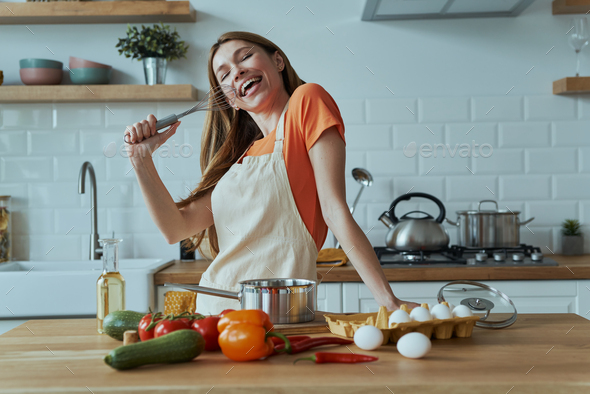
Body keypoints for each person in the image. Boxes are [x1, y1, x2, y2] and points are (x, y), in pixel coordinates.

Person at [124, 31, 420, 315]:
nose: (236, 72)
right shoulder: (240, 161)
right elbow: (175, 228)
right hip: (214, 314)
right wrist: (141, 160)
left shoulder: (307, 101)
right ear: (230, 100)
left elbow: (334, 211)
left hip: (277, 318)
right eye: (224, 74)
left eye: (245, 57)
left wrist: (388, 300)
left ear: (278, 61)